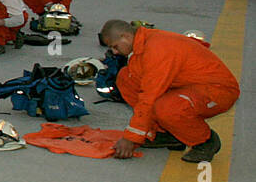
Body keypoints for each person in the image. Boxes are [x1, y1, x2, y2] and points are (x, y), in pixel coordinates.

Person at [101, 20, 238, 163]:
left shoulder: (158, 49)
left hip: (218, 90)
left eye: (115, 47)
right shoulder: (144, 43)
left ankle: (205, 141)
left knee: (167, 108)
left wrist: (131, 138)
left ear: (126, 37)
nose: (115, 52)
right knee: (126, 78)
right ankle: (168, 133)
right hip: (189, 86)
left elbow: (149, 96)